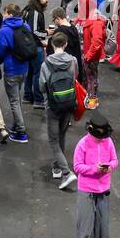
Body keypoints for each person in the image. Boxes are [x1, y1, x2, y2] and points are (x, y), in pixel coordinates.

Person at [71, 111, 119, 238]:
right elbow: (77, 167)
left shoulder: (108, 142)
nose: (102, 139)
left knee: (102, 229)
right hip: (87, 191)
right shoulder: (82, 144)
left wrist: (108, 167)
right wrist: (94, 169)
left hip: (103, 190)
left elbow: (115, 160)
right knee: (85, 230)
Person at [41, 32, 79, 187]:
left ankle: (66, 172)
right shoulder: (73, 61)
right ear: (66, 44)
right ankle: (57, 167)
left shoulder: (46, 64)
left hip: (53, 106)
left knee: (53, 139)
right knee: (62, 135)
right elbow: (75, 77)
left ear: (51, 45)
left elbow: (42, 86)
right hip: (69, 103)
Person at [0, 4, 32, 144]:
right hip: (24, 68)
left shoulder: (4, 31)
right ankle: (17, 125)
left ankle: (21, 132)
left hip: (11, 69)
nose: (3, 15)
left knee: (14, 101)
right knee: (17, 98)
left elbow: (0, 51)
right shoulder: (25, 26)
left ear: (9, 14)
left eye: (4, 13)